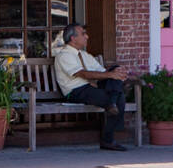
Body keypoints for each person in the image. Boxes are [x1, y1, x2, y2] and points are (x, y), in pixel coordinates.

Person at [53, 22, 132, 151]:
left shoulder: (84, 55)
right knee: (119, 96)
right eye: (83, 34)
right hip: (75, 91)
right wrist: (111, 75)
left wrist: (116, 73)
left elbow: (102, 72)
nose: (87, 37)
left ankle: (112, 101)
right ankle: (108, 139)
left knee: (115, 71)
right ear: (73, 38)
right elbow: (82, 74)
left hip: (91, 88)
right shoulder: (64, 55)